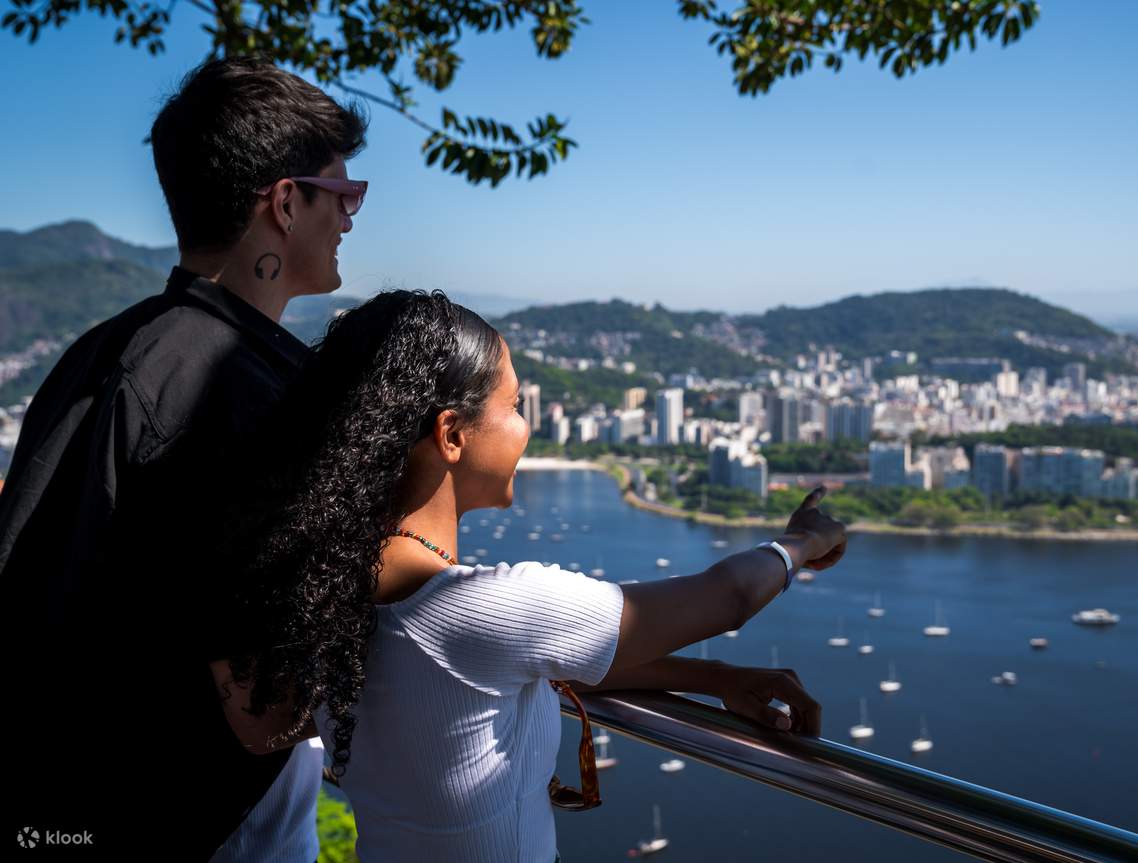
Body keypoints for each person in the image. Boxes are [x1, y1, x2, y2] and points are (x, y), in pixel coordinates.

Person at [222, 289, 848, 862]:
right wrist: (803, 541)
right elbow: (729, 597)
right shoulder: (481, 607)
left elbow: (505, 672)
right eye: (514, 405)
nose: (528, 426)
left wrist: (713, 679)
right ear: (452, 434)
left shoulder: (327, 598)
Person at [0, 57, 367, 854]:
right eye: (344, 195)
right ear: (284, 202)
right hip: (204, 824)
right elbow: (261, 710)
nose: (350, 218)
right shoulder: (245, 394)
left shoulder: (99, 350)